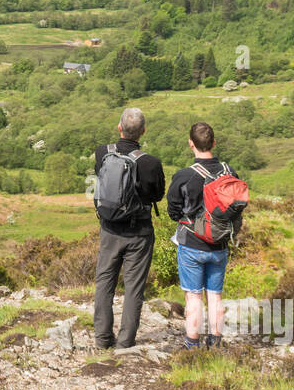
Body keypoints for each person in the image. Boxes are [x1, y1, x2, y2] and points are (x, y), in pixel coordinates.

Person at [92, 107, 165, 349]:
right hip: (139, 232)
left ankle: (102, 339)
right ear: (143, 131)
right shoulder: (151, 163)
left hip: (110, 229)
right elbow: (158, 195)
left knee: (104, 281)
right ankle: (125, 343)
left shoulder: (102, 153)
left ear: (119, 128)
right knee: (134, 287)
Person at [167, 121, 237, 348]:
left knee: (194, 296)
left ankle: (192, 344)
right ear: (214, 143)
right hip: (220, 244)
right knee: (215, 295)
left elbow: (173, 211)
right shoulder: (229, 172)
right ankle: (215, 342)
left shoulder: (184, 175)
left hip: (191, 245)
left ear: (191, 144)